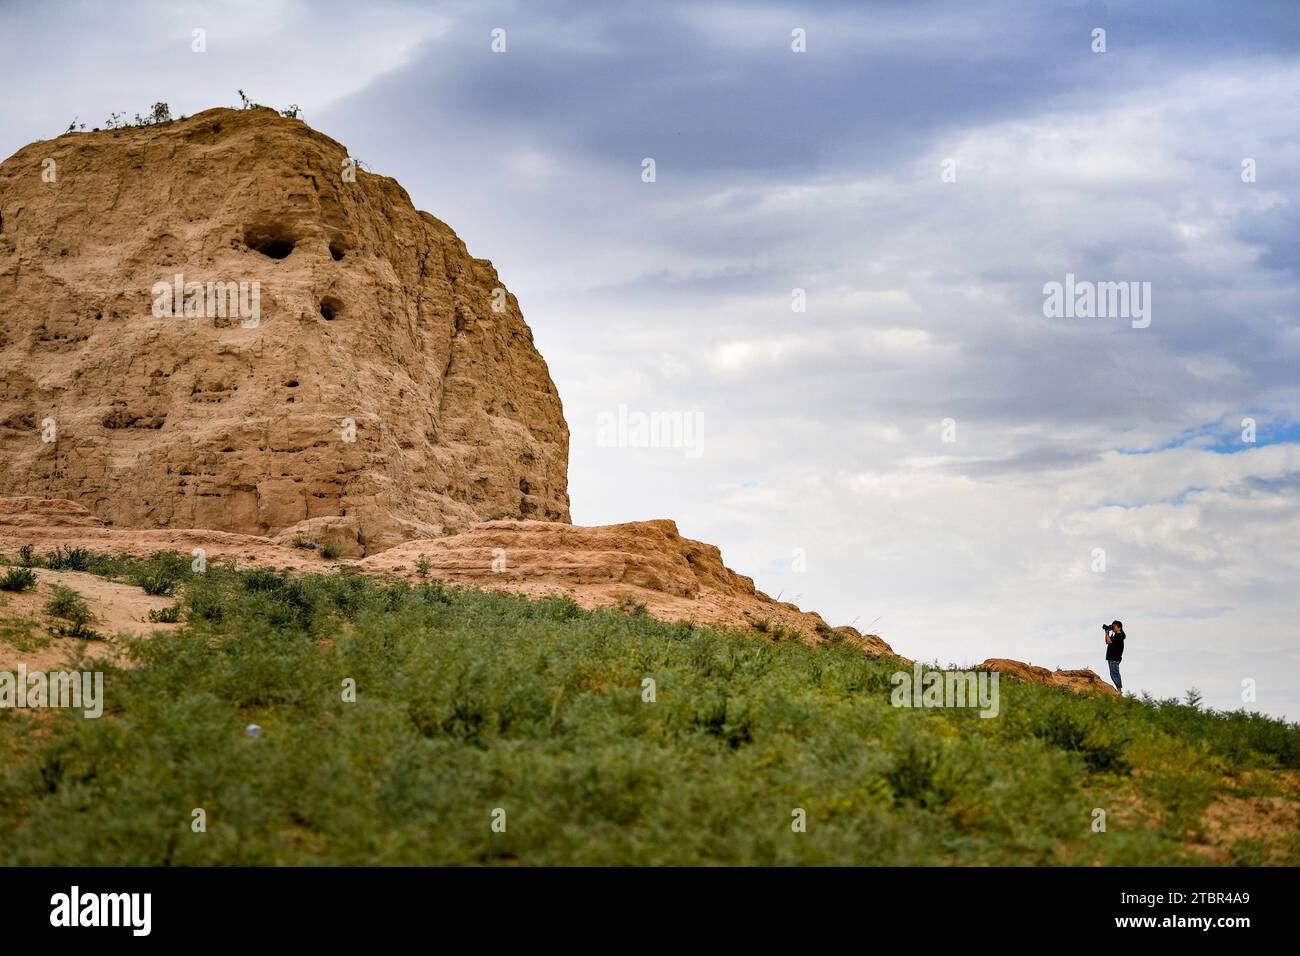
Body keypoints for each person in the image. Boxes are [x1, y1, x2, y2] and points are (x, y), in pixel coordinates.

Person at [1103, 620, 1125, 692]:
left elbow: (1109, 641)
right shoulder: (1116, 635)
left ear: (1119, 628)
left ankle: (1119, 690)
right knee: (1113, 674)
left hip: (1114, 658)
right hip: (1112, 658)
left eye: (1114, 626)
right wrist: (1107, 633)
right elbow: (1107, 641)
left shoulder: (1119, 636)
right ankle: (1119, 690)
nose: (1113, 628)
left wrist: (1107, 633)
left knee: (1115, 674)